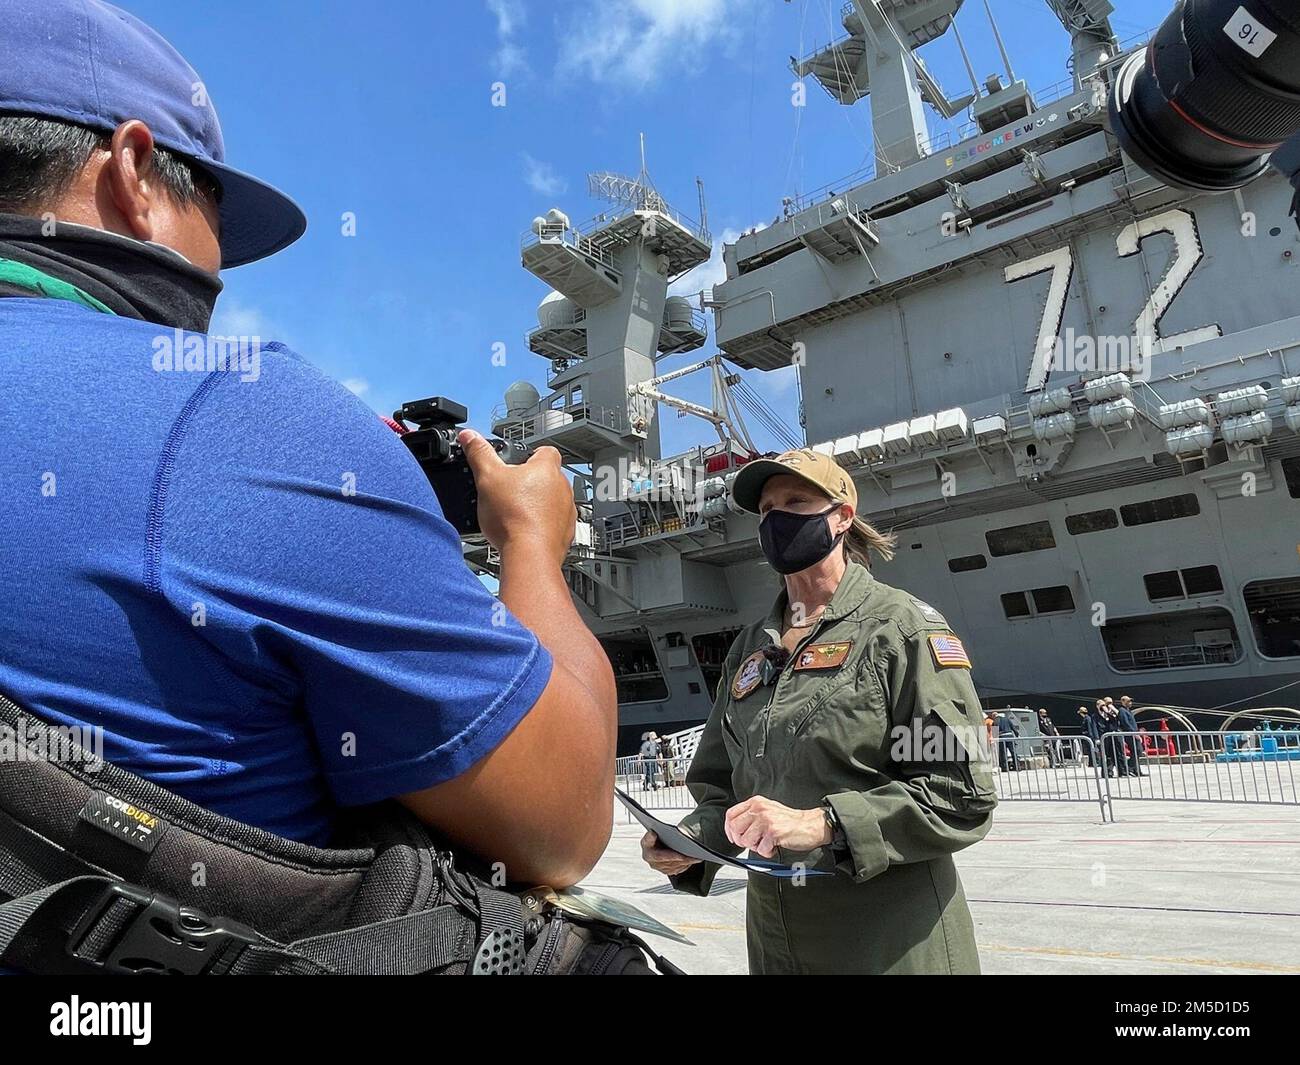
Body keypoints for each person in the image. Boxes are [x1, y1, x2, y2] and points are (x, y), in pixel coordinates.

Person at [0, 0, 617, 891]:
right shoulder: (236, 412)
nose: (218, 268)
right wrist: (532, 544)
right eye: (209, 208)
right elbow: (562, 828)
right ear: (134, 170)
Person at [640, 448, 996, 974]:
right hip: (777, 937)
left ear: (842, 517)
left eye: (797, 501)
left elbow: (961, 794)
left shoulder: (900, 630)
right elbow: (722, 785)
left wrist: (825, 823)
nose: (777, 518)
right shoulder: (749, 649)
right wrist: (693, 838)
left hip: (887, 941)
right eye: (766, 509)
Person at [1117, 696, 1148, 776]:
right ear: (1123, 701)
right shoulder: (1122, 711)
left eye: (1130, 701)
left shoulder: (1128, 711)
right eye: (1128, 701)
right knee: (1137, 751)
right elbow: (1126, 723)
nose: (1130, 703)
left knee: (1137, 752)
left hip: (1133, 733)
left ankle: (1137, 771)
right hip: (1130, 734)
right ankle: (1129, 767)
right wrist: (1134, 733)